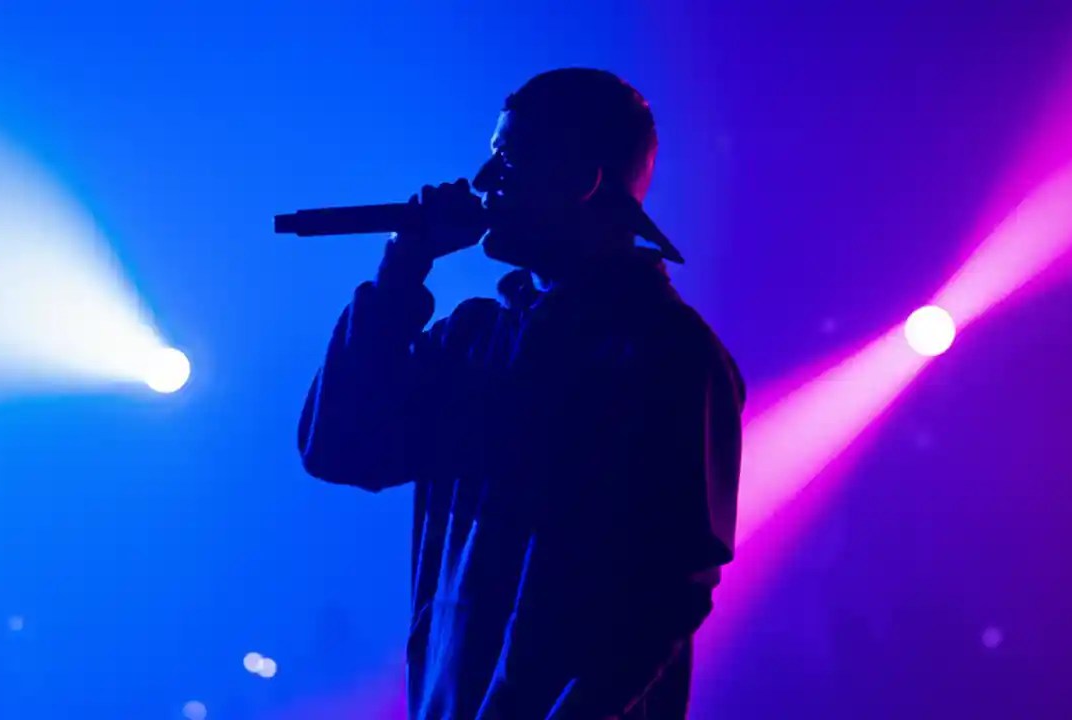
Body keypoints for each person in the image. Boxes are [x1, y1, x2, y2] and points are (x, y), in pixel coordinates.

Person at [298, 68, 745, 720]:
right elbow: (339, 449)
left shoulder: (668, 354)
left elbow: (668, 589)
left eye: (508, 158)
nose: (482, 182)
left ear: (583, 179)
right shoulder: (475, 339)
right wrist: (400, 276)